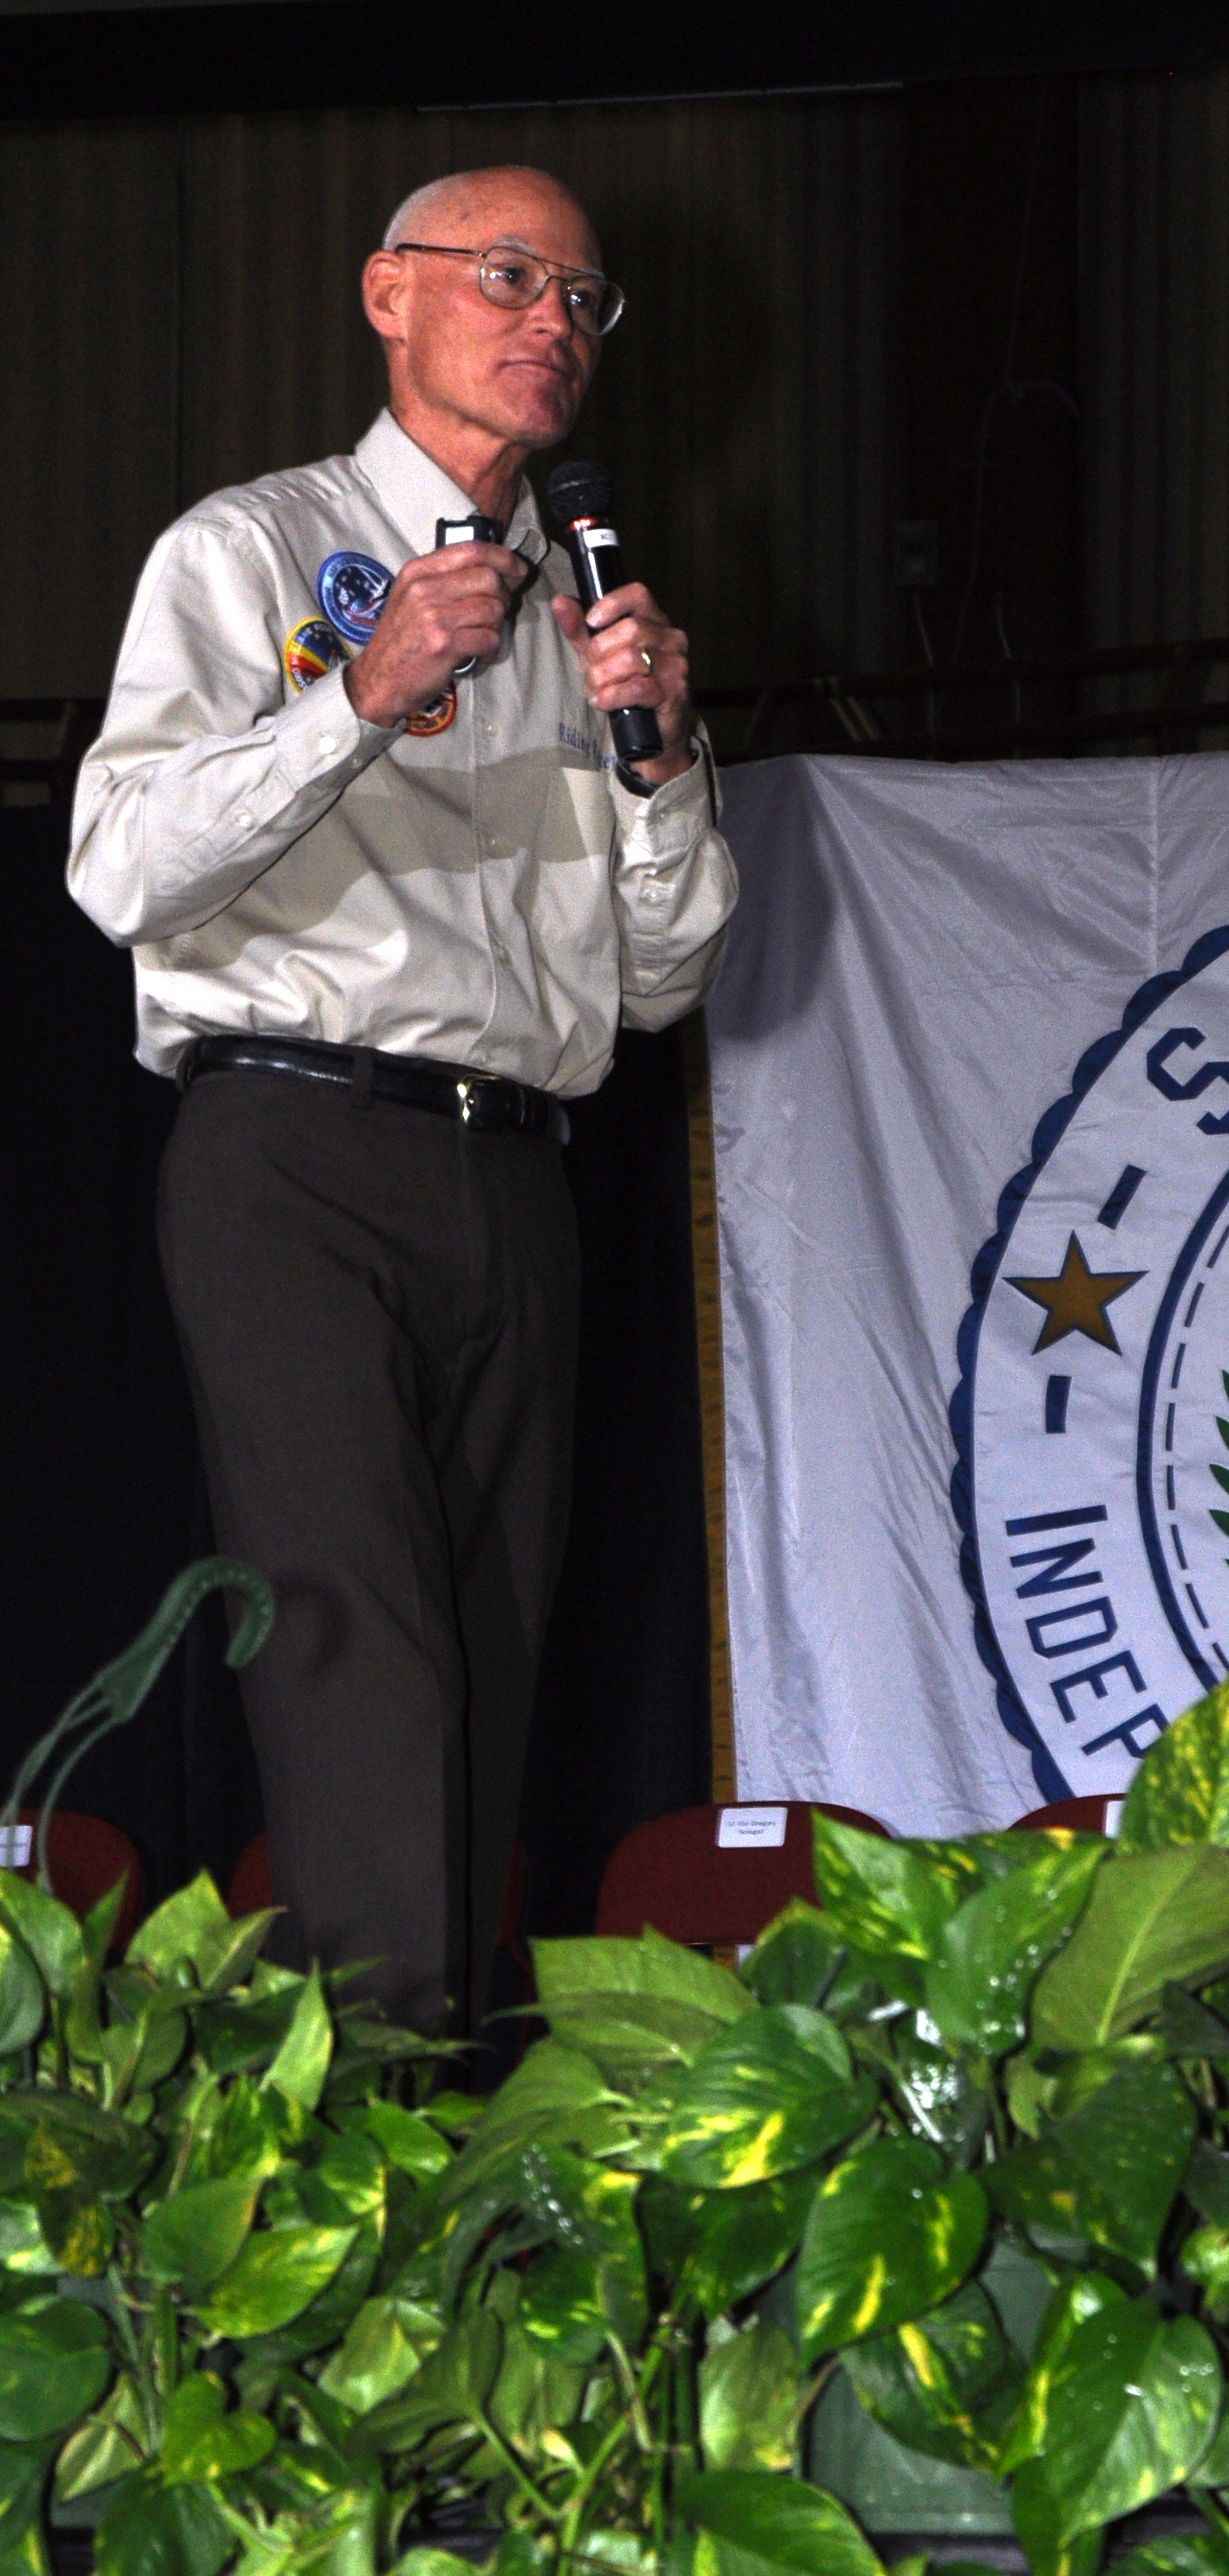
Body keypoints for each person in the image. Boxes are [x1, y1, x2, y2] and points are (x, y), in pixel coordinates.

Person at [68, 166, 737, 2037]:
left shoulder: (590, 614)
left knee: (493, 1670)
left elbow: (663, 972)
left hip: (519, 1173)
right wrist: (359, 689)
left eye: (586, 302)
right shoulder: (255, 552)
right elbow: (120, 868)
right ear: (389, 293)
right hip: (296, 1149)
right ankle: (391, 2121)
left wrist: (667, 765)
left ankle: (428, 2091)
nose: (554, 325)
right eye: (511, 277)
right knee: (363, 1646)